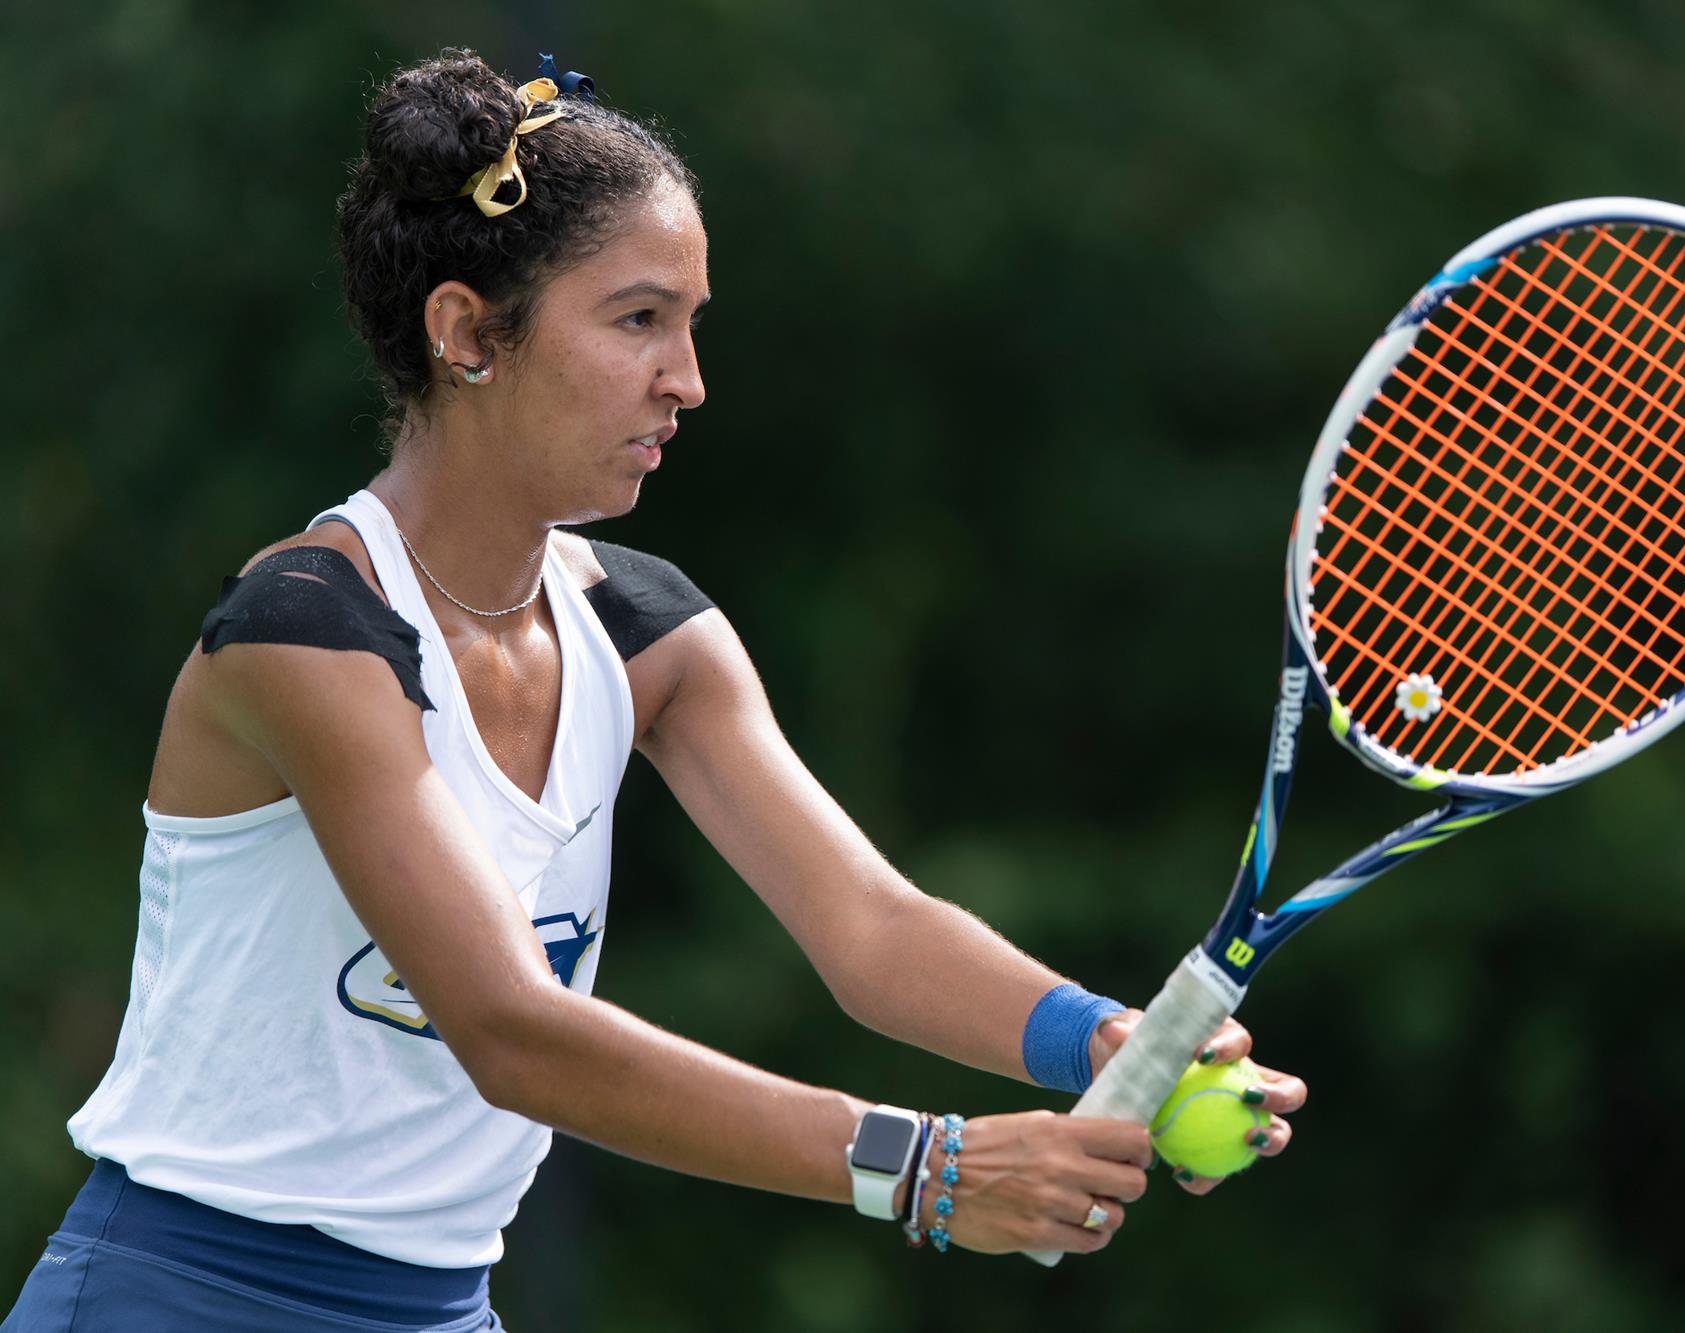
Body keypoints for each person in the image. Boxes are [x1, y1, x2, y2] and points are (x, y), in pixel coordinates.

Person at [2, 49, 1305, 1332]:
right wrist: (922, 1166)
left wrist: (1101, 1038)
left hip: (440, 1308)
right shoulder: (306, 632)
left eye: (690, 324)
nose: (685, 378)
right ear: (465, 331)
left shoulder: (650, 632)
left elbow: (871, 927)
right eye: (636, 320)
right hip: (172, 1299)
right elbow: (512, 1031)